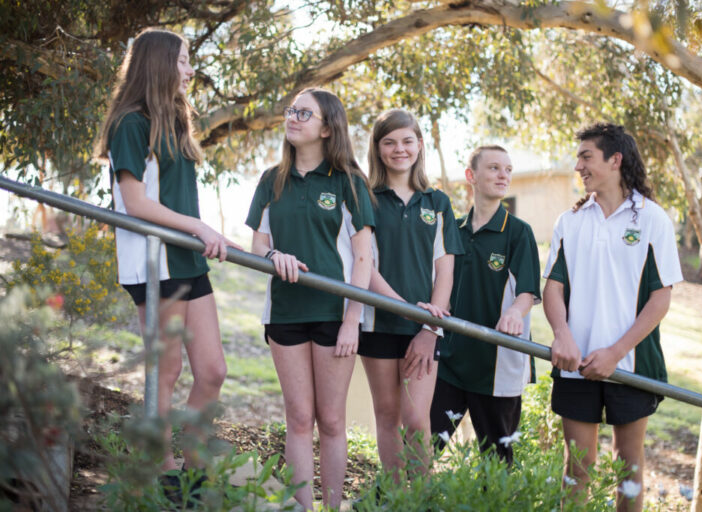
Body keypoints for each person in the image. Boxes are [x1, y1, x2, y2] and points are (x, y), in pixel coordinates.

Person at [97, 28, 239, 490]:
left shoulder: (174, 121)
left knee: (213, 370)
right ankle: (159, 473)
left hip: (186, 259)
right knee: (168, 369)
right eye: (181, 61)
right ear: (158, 64)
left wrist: (204, 232)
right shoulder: (130, 124)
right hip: (155, 262)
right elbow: (135, 203)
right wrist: (199, 227)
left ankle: (193, 470)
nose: (189, 69)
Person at [542, 123, 683, 511]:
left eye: (586, 156)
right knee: (578, 468)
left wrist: (616, 352)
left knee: (628, 468)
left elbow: (660, 298)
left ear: (615, 160)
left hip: (630, 364)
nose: (578, 166)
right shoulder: (569, 221)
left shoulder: (652, 219)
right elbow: (553, 287)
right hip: (575, 363)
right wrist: (562, 334)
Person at [246, 88, 375, 510]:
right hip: (284, 313)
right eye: (291, 111)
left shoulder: (348, 182)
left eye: (305, 112)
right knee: (299, 419)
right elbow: (257, 247)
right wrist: (272, 255)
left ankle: (333, 507)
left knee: (332, 421)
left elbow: (362, 257)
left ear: (326, 127)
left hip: (333, 316)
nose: (293, 118)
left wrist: (353, 319)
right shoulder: (271, 180)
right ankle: (302, 508)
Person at [358, 109, 462, 477]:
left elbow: (444, 270)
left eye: (406, 141)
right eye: (389, 142)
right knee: (387, 416)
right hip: (376, 324)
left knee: (417, 419)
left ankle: (420, 498)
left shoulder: (437, 202)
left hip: (425, 329)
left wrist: (427, 327)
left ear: (419, 145)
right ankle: (395, 496)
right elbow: (364, 266)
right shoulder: (365, 197)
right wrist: (406, 311)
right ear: (378, 148)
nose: (399, 149)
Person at [429, 145, 541, 465]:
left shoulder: (518, 233)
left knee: (496, 464)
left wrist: (514, 313)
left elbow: (527, 292)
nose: (503, 174)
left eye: (507, 169)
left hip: (496, 367)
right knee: (420, 449)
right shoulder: (454, 230)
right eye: (493, 168)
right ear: (471, 176)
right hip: (450, 360)